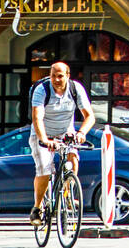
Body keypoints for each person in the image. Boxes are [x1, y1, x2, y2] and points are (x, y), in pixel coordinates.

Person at [29, 61, 95, 224]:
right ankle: (37, 208)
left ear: (67, 76)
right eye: (53, 76)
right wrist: (45, 140)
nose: (56, 80)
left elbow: (90, 116)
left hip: (66, 132)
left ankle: (67, 194)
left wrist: (81, 133)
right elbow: (37, 117)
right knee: (44, 169)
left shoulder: (75, 88)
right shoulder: (42, 90)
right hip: (43, 133)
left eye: (60, 76)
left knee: (73, 157)